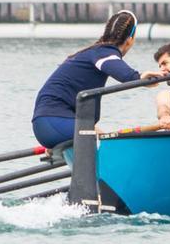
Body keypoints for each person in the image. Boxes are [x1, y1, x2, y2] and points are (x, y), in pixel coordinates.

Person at [31, 11, 156, 147]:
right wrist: (139, 77)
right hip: (56, 122)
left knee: (103, 139)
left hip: (48, 124)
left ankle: (62, 148)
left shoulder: (93, 52)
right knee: (106, 144)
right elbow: (121, 71)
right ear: (130, 39)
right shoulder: (104, 52)